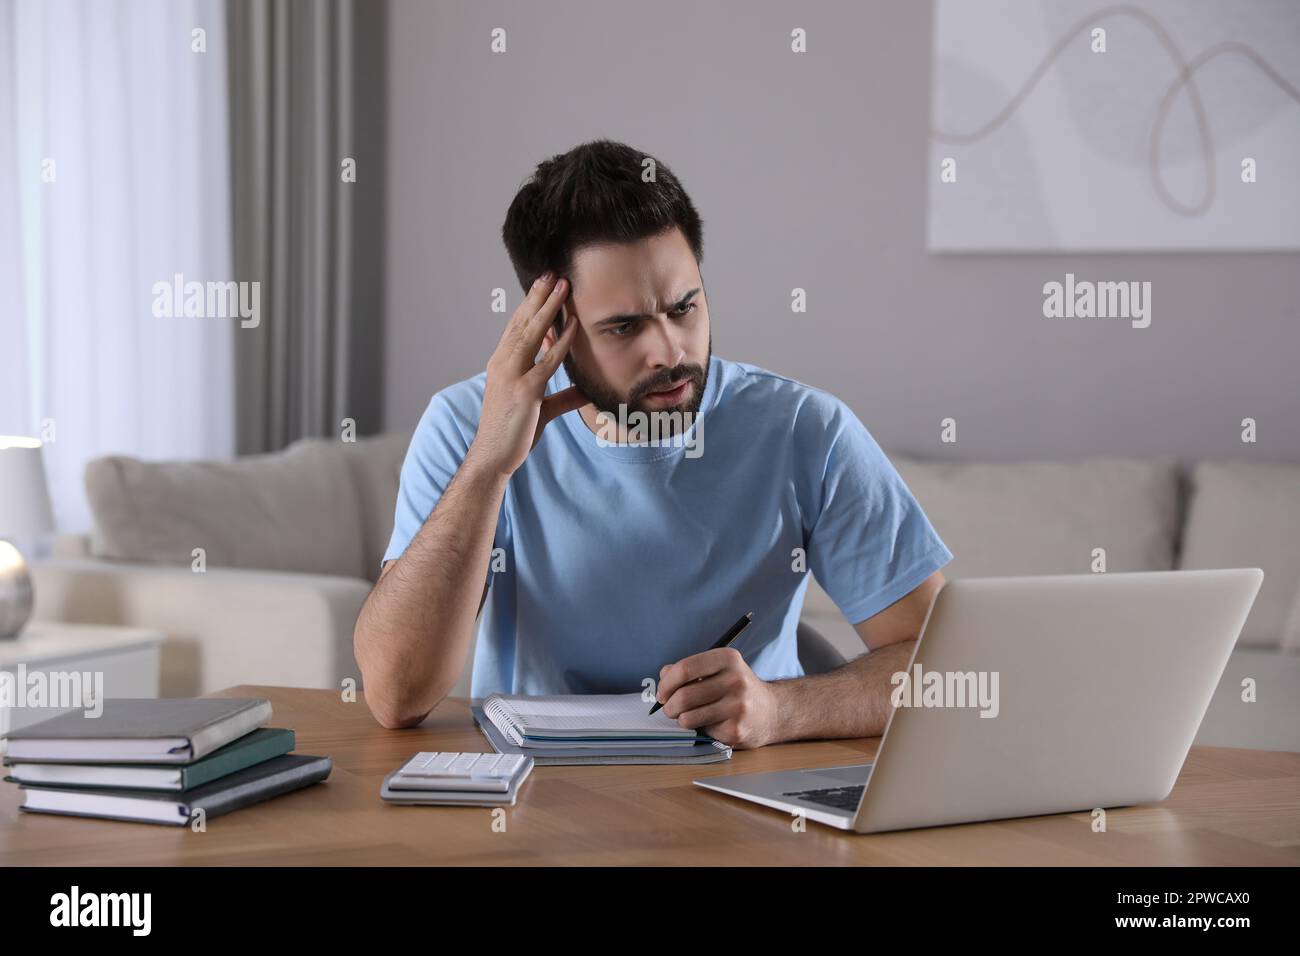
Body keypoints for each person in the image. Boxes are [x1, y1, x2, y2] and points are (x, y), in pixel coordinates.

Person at [353, 139, 952, 749]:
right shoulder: (464, 425)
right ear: (552, 327)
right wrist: (488, 467)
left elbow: (946, 669)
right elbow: (396, 695)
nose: (670, 352)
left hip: (743, 803)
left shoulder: (807, 430)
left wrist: (781, 710)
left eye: (684, 308)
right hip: (536, 808)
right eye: (624, 326)